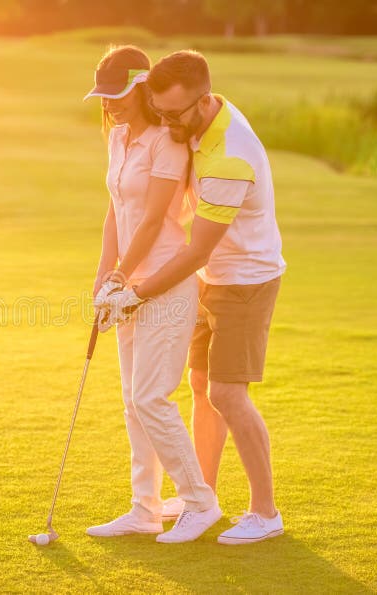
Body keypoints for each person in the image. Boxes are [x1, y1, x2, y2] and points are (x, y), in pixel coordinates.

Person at [102, 50, 287, 544]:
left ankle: (265, 512)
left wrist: (134, 290)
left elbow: (194, 247)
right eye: (159, 112)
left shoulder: (230, 154)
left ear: (203, 102)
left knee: (228, 393)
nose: (166, 123)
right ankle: (199, 495)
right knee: (201, 383)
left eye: (174, 114)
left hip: (244, 280)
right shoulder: (198, 122)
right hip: (213, 276)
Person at [84, 45, 222, 543]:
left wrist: (123, 277)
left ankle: (200, 502)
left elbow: (151, 219)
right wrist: (104, 276)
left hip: (163, 283)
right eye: (103, 97)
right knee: (131, 401)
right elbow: (115, 212)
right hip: (125, 288)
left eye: (118, 94)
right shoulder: (118, 138)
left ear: (142, 88)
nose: (110, 105)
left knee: (151, 397)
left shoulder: (168, 142)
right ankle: (144, 508)